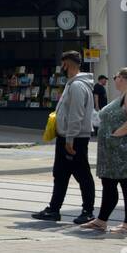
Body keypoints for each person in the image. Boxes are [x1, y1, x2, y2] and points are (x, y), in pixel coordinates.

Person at [83, 68, 127, 236]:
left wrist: (115, 134)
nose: (114, 79)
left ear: (123, 78)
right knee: (109, 184)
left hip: (125, 148)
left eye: (116, 76)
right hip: (115, 149)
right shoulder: (123, 95)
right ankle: (101, 221)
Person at [32, 50, 97, 224]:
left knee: (82, 174)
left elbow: (76, 114)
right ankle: (54, 209)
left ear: (67, 64)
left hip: (74, 138)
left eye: (63, 63)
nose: (61, 67)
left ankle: (88, 211)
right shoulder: (73, 83)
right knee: (60, 174)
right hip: (67, 136)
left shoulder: (77, 85)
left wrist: (70, 139)